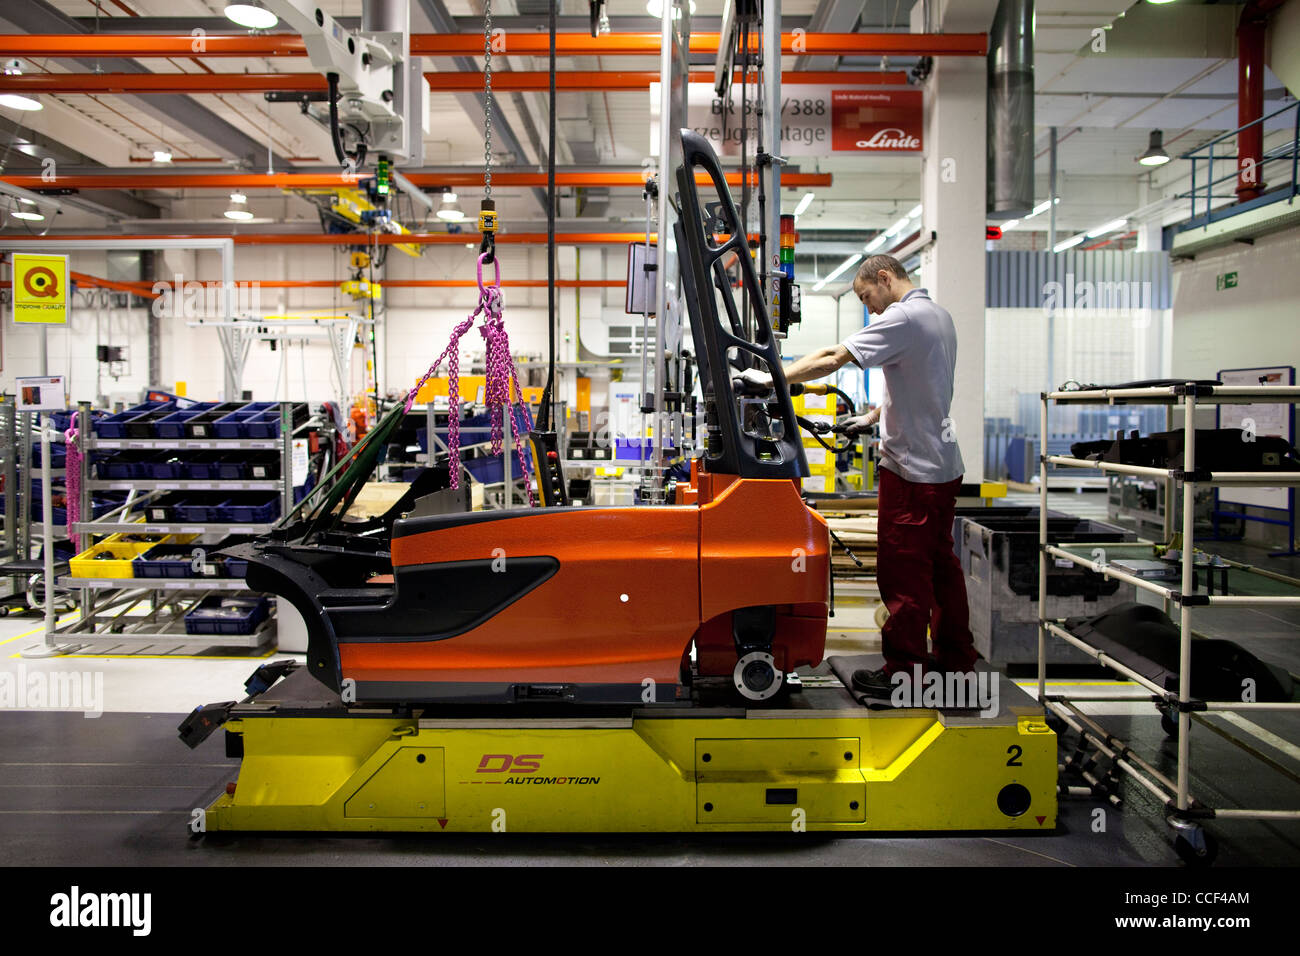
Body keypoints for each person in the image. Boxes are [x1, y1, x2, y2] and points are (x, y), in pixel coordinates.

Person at [736, 253, 977, 698]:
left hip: (912, 472)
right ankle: (956, 662)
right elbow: (925, 384)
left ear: (885, 278)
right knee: (943, 569)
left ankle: (903, 673)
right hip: (944, 467)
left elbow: (832, 357)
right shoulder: (939, 317)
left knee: (903, 574)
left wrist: (770, 380)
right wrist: (869, 419)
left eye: (868, 298)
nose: (872, 310)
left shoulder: (903, 318)